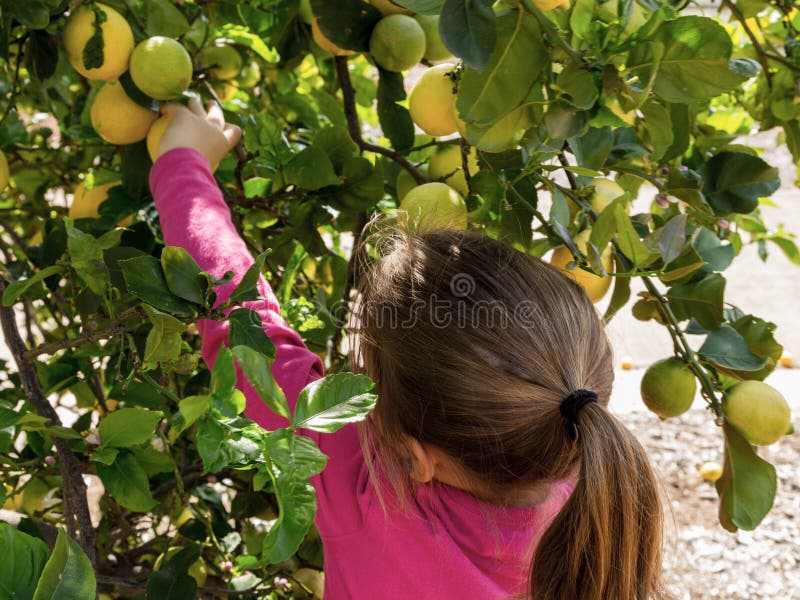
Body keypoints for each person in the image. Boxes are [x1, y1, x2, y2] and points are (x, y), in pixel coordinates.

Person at [151, 97, 667, 600]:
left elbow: (245, 333)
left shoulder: (364, 481)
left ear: (416, 457)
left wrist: (184, 163)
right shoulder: (594, 484)